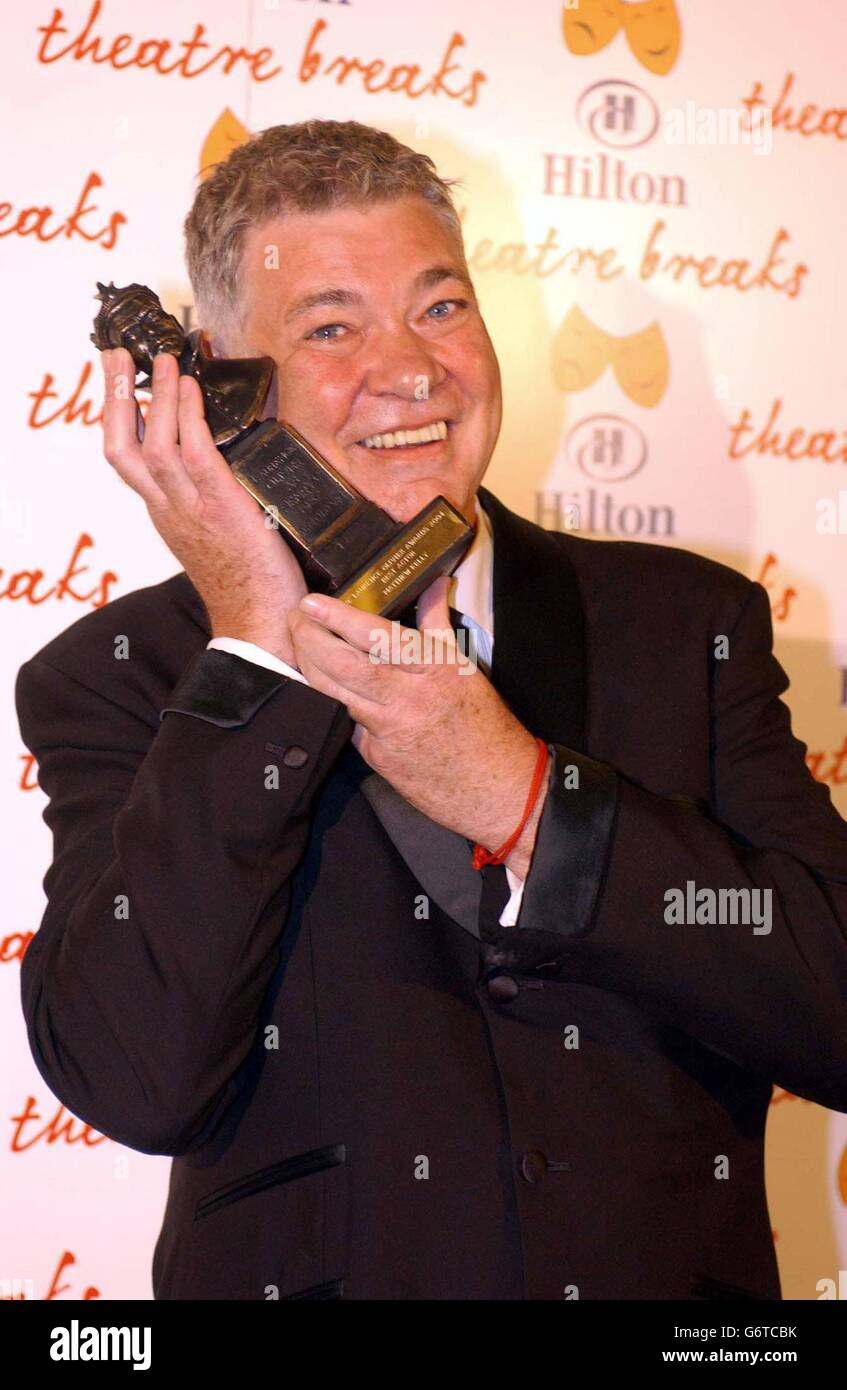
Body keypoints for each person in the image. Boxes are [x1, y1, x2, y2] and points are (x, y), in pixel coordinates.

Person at [16, 119, 847, 1302]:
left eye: (440, 308)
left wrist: (525, 805)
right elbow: (134, 1077)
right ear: (216, 388)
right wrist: (255, 644)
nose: (410, 368)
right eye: (332, 326)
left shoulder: (686, 626)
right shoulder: (120, 675)